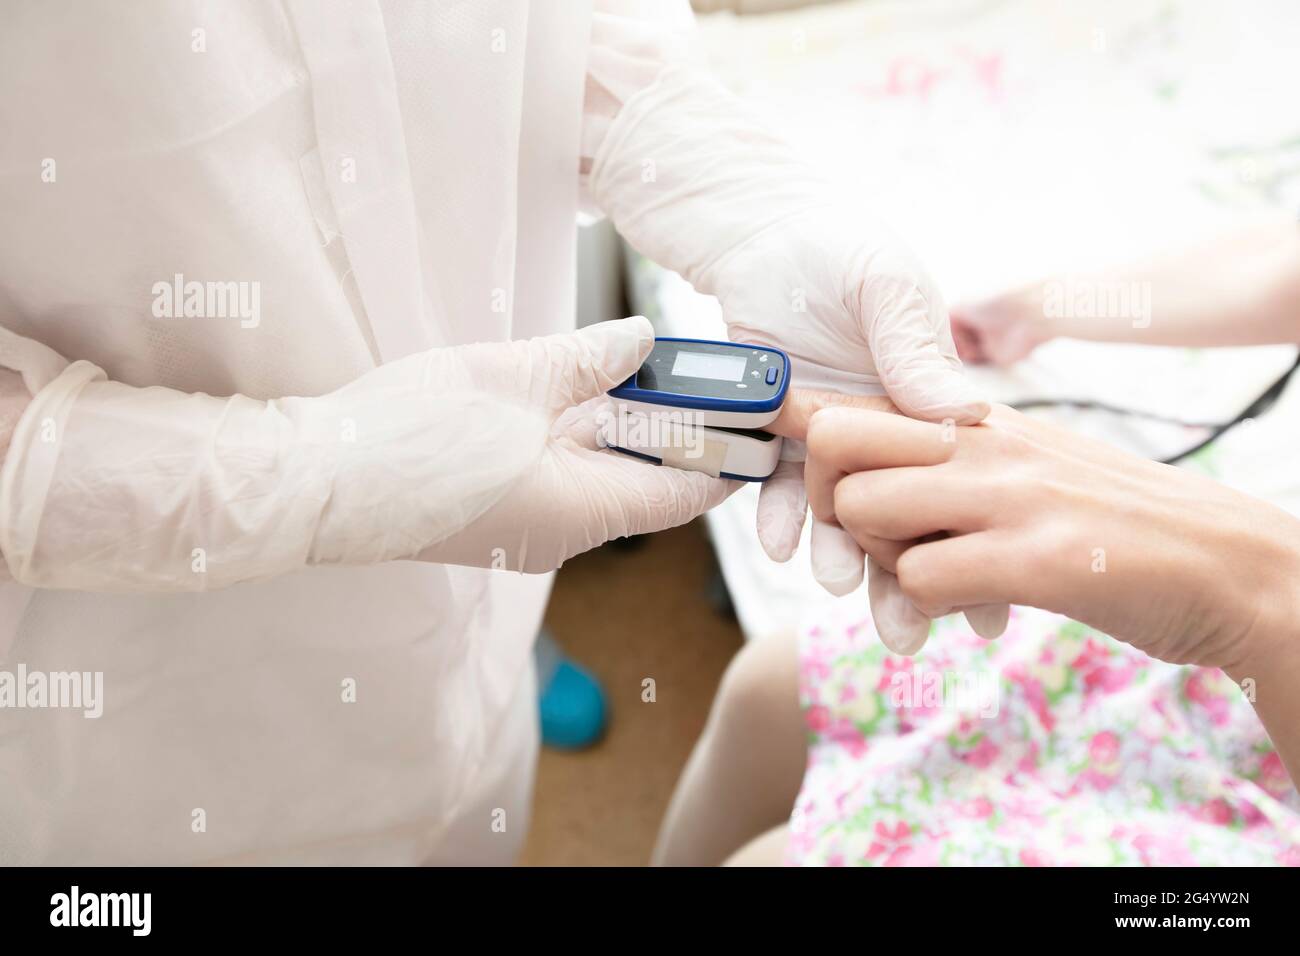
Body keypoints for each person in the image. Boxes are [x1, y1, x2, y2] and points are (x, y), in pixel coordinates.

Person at [0, 1, 981, 864]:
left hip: (479, 623)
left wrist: (731, 191)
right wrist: (312, 478)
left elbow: (545, 30)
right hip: (134, 719)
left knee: (471, 801)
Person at [654, 216, 1300, 866]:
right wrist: (1035, 310)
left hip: (1270, 645)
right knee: (768, 688)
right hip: (1235, 670)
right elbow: (1283, 271)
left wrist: (1261, 596)